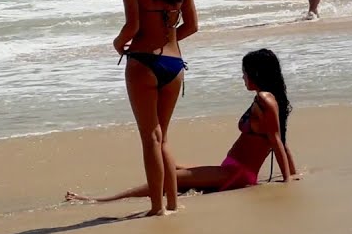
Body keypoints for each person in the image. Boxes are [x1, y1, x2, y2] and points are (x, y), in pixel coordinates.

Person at [66, 49, 297, 204]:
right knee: (171, 167)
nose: (243, 78)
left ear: (256, 73)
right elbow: (282, 142)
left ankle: (101, 200)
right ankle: (107, 198)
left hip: (236, 174)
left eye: (244, 73)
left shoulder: (265, 100)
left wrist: (287, 182)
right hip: (231, 168)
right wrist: (294, 173)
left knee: (171, 178)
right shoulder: (267, 98)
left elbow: (276, 140)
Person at [110, 0, 199, 216]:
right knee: (164, 137)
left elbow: (132, 25)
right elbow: (192, 25)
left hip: (143, 62)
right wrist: (169, 38)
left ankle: (157, 207)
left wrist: (118, 43)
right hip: (174, 64)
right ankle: (173, 202)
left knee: (150, 136)